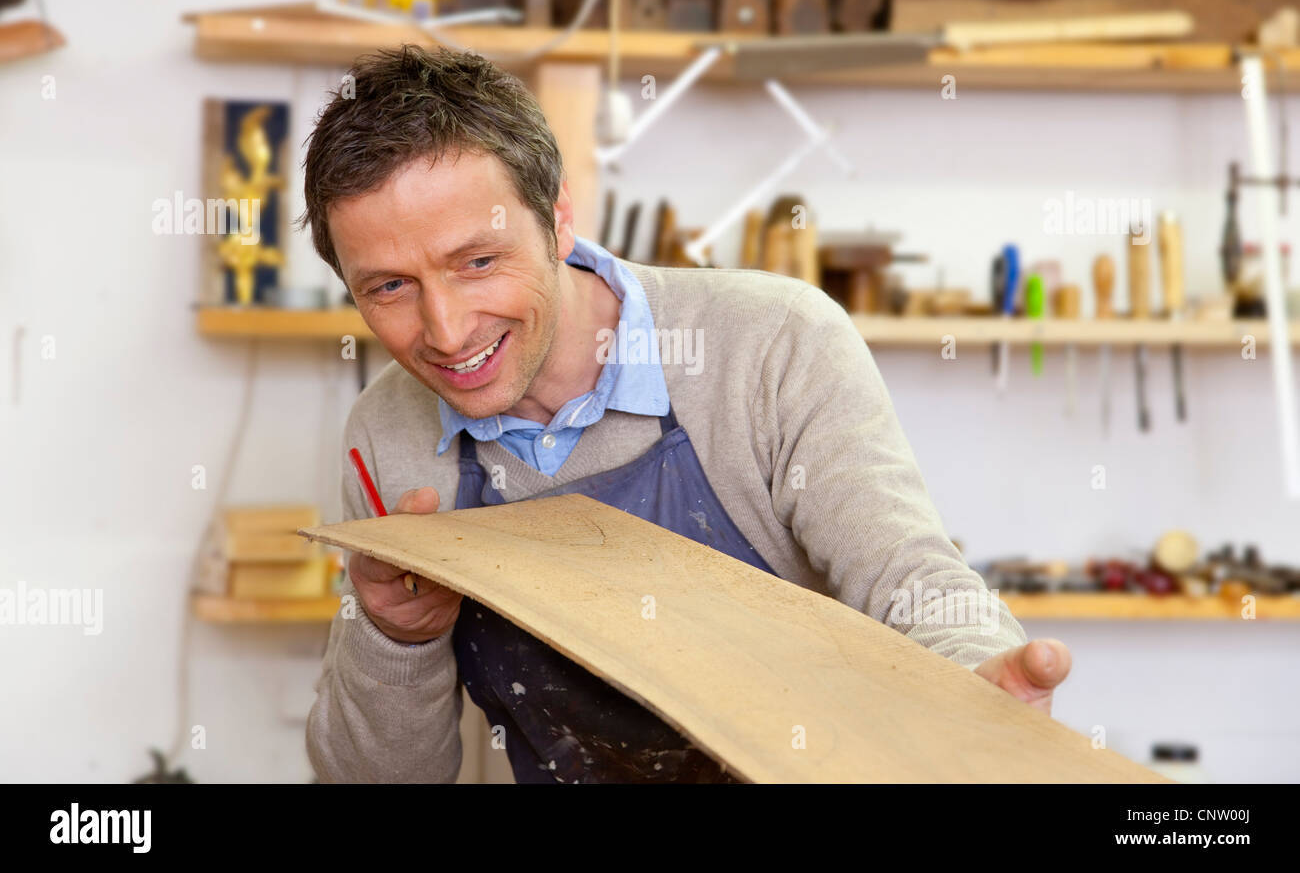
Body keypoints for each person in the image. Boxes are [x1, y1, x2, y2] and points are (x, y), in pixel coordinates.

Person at [302, 45, 1071, 783]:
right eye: (389, 288)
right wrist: (392, 638)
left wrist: (979, 696)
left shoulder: (770, 345)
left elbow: (911, 579)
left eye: (477, 262)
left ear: (559, 218)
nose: (447, 331)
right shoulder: (388, 436)